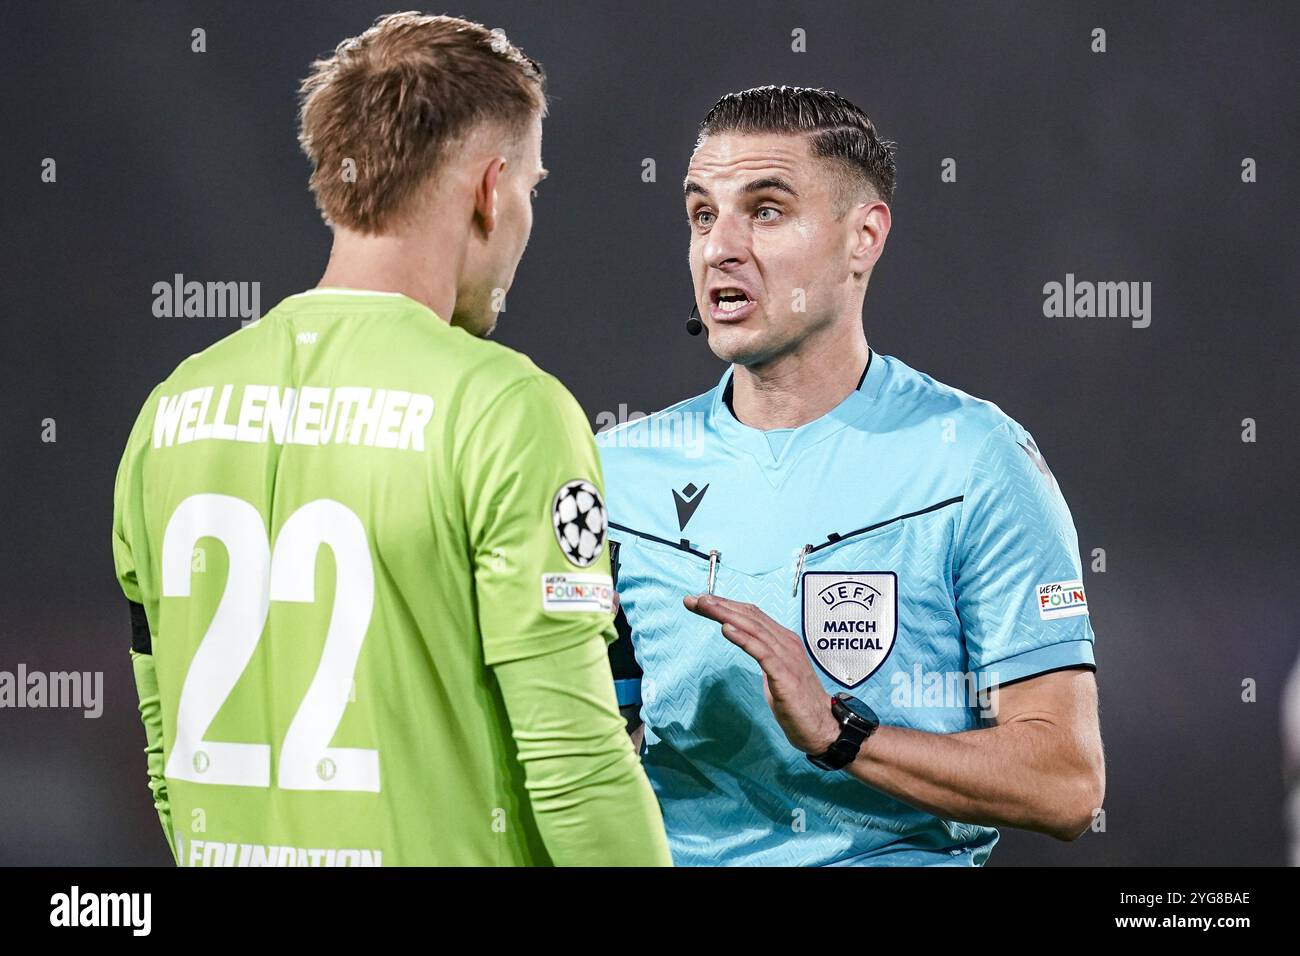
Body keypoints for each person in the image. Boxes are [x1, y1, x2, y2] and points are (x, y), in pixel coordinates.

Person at [111, 12, 669, 867]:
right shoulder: (504, 408)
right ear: (491, 189)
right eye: (532, 185)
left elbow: (163, 755)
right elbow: (578, 767)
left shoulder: (170, 412)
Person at [601, 85, 1104, 866]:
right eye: (702, 214)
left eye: (765, 210)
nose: (719, 247)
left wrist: (842, 733)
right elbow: (592, 747)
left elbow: (1065, 783)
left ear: (862, 237)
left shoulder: (972, 457)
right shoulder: (617, 472)